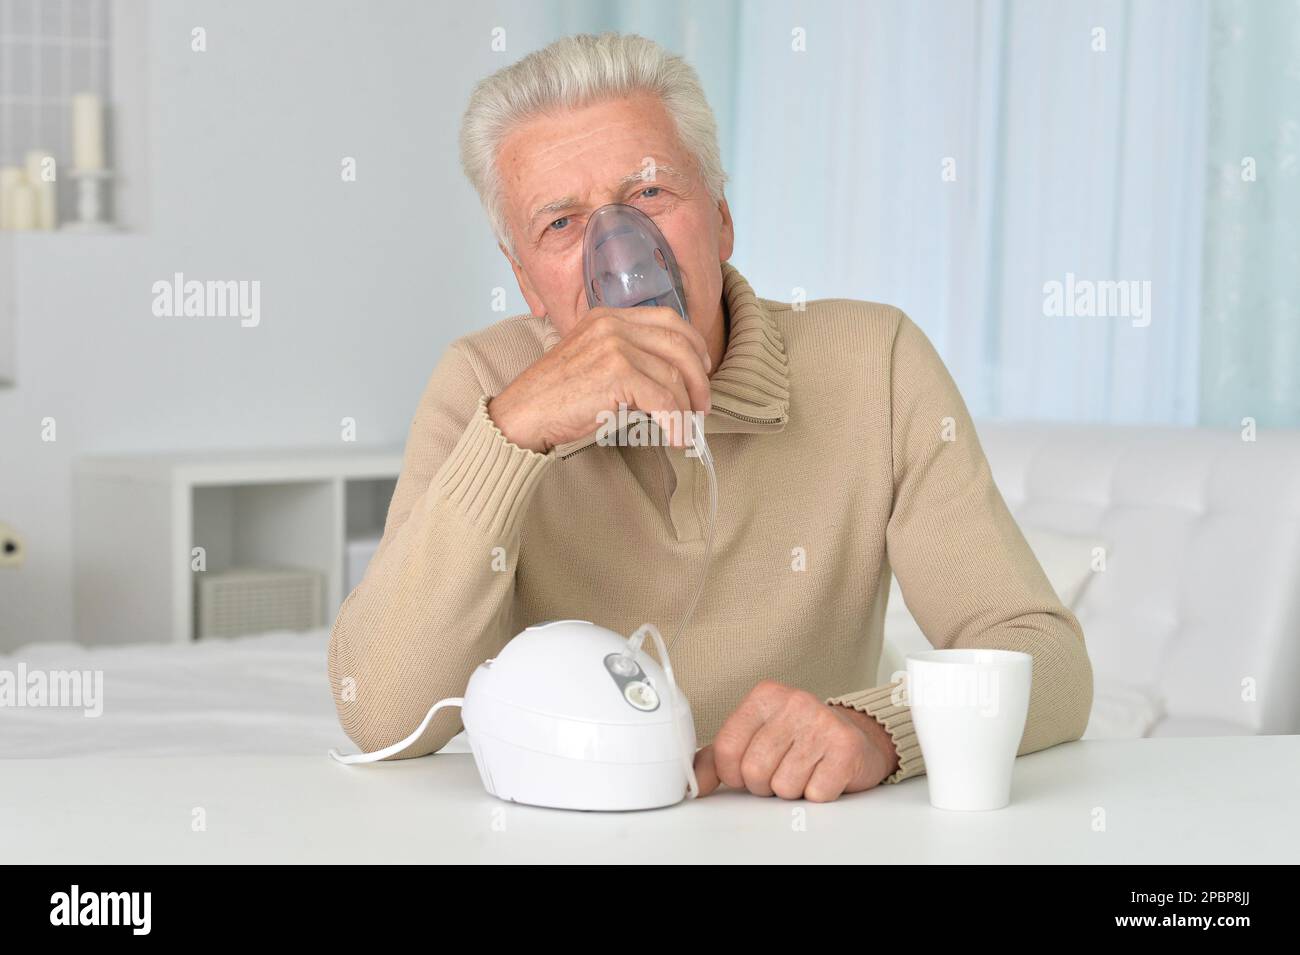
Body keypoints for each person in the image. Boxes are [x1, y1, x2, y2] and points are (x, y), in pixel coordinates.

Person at [328, 32, 1093, 802]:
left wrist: (874, 729)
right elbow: (382, 715)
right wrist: (516, 432)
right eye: (561, 224)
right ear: (525, 279)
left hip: (816, 832)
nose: (620, 254)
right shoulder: (482, 385)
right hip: (572, 834)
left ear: (721, 220)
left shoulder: (876, 362)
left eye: (651, 194)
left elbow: (1046, 660)